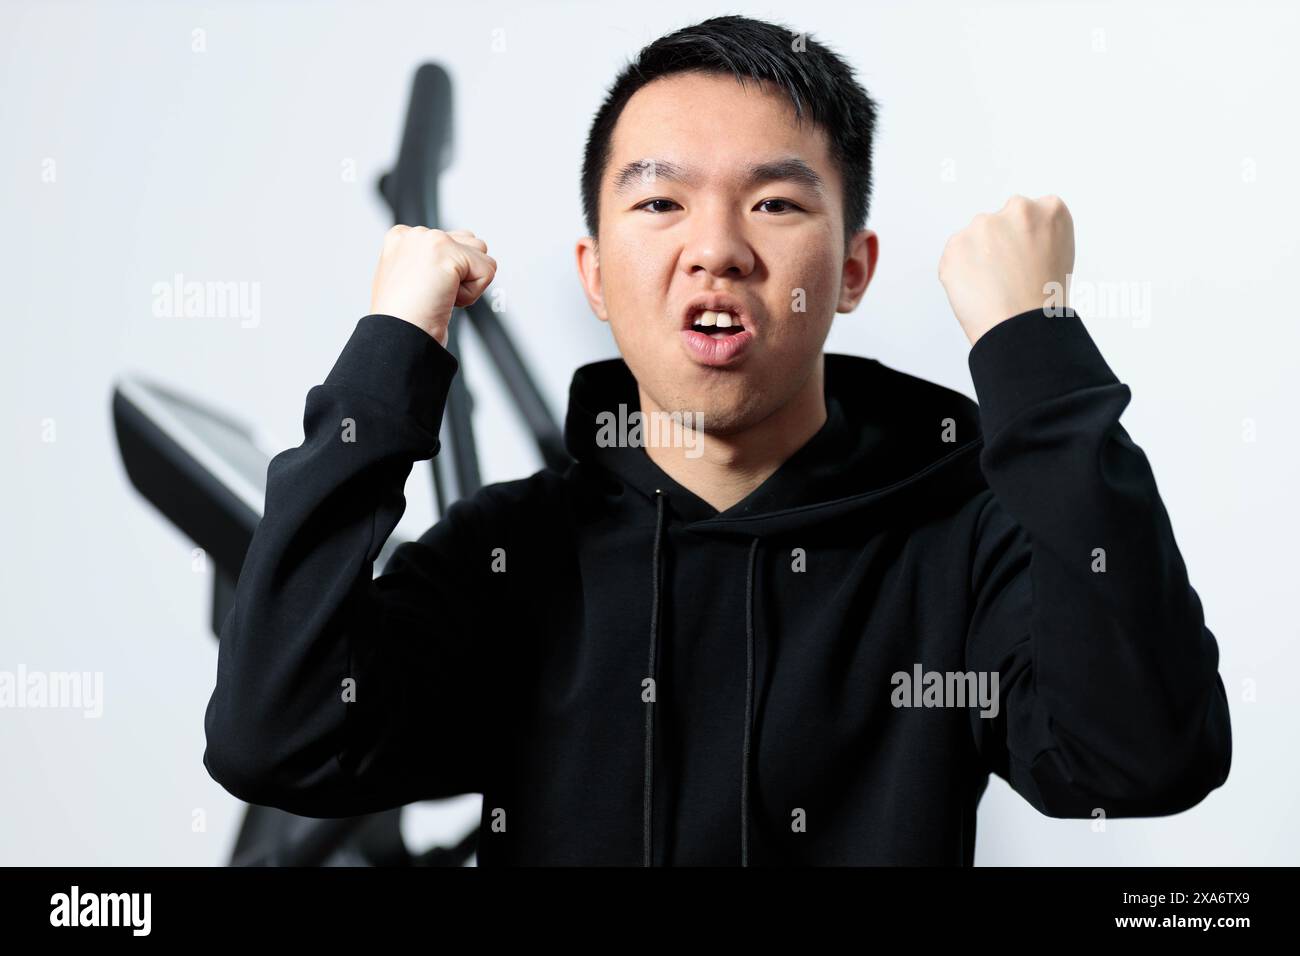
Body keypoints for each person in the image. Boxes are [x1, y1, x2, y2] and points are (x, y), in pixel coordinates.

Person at [202, 14, 1231, 865]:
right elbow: (277, 737)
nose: (716, 249)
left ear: (854, 268)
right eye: (659, 201)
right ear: (595, 273)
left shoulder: (959, 542)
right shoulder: (513, 555)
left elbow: (1142, 757)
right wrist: (389, 352)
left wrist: (1034, 354)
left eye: (775, 201)